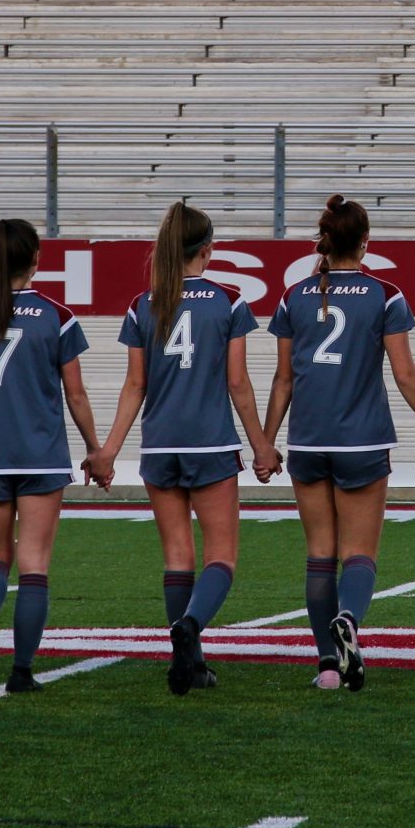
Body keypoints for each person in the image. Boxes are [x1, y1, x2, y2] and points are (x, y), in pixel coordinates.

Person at [95, 202, 277, 696]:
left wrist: (109, 450)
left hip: (159, 447)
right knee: (222, 557)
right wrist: (262, 445)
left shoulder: (143, 303)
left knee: (178, 557)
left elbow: (135, 385)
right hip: (211, 444)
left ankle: (189, 663)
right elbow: (238, 383)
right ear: (208, 251)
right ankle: (191, 628)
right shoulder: (230, 301)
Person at [263, 194, 415, 691]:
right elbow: (403, 373)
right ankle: (349, 621)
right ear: (365, 243)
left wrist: (265, 443)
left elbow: (283, 379)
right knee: (359, 553)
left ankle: (328, 667)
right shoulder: (386, 294)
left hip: (309, 442)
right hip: (362, 441)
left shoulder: (294, 295)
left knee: (319, 554)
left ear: (326, 241)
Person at [0, 217, 101, 695]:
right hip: (41, 457)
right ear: (35, 260)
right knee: (34, 565)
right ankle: (22, 671)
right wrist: (96, 449)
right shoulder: (56, 316)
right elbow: (77, 394)